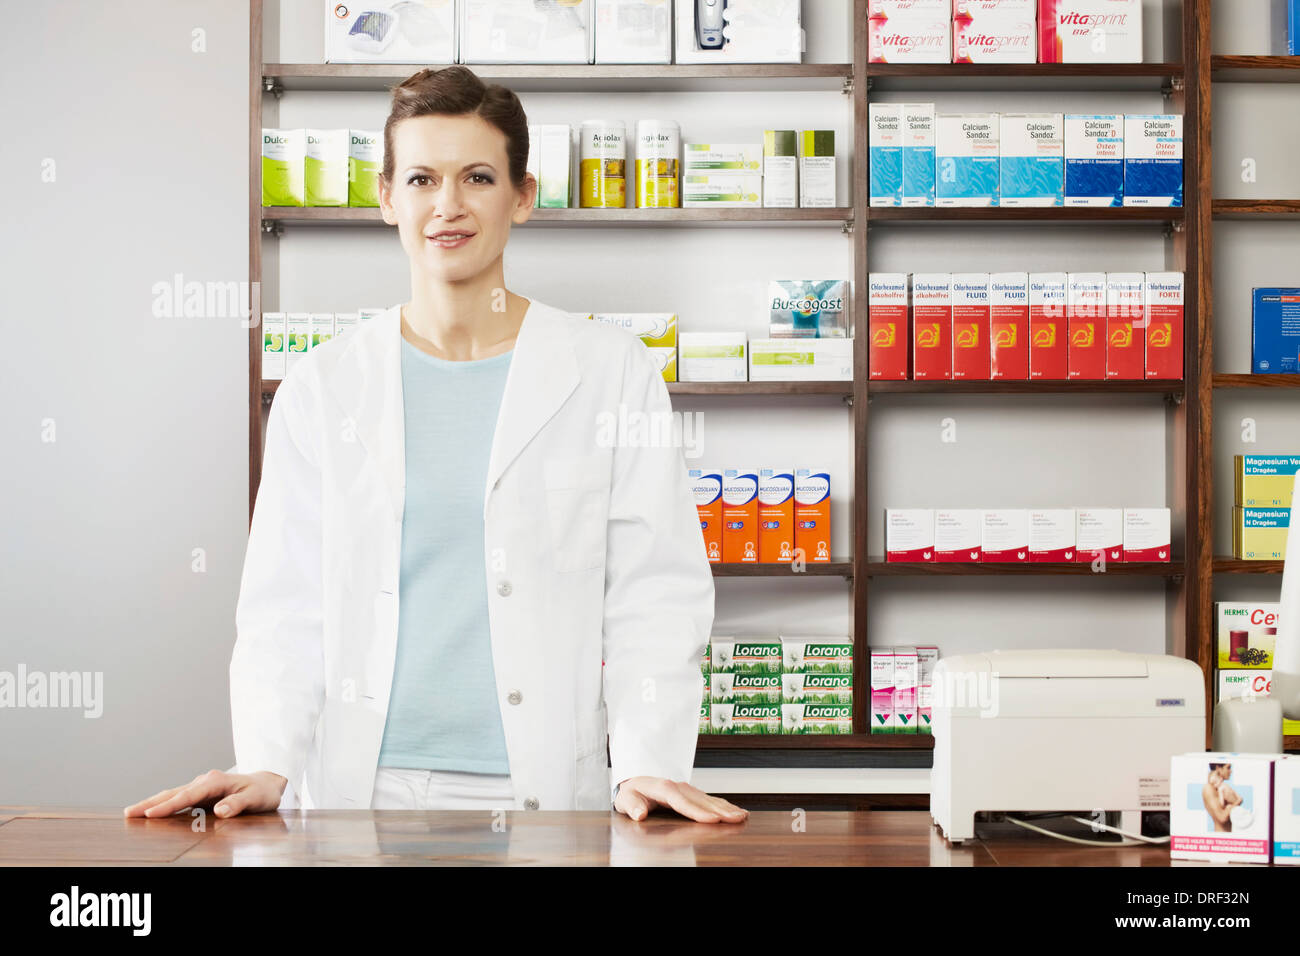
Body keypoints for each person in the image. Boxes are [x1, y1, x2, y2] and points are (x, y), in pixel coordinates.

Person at [126, 66, 746, 825]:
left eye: (477, 177)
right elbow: (284, 608)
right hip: (364, 790)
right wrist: (266, 758)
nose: (447, 205)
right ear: (387, 196)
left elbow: (655, 593)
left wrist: (648, 764)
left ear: (523, 195)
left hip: (546, 789)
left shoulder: (610, 372)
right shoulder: (324, 387)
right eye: (421, 177)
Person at [1202, 763, 1241, 832]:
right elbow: (1222, 817)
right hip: (1221, 836)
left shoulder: (1222, 787)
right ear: (1218, 768)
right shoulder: (1209, 788)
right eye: (1228, 768)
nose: (1230, 771)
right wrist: (1237, 802)